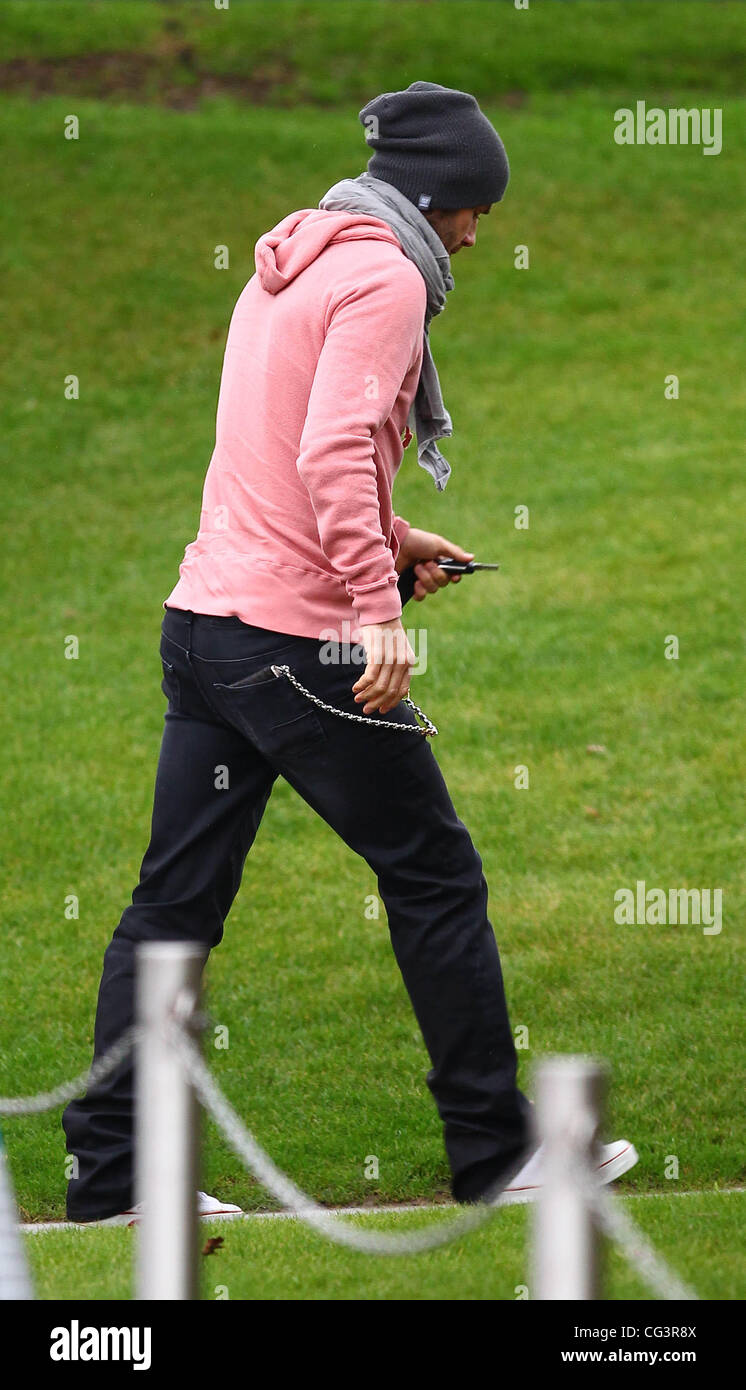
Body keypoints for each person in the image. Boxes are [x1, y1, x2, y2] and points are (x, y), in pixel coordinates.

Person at [62, 81, 637, 1224]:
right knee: (431, 873)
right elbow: (329, 450)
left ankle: (113, 1182)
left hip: (206, 631)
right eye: (474, 204)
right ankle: (493, 1153)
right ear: (435, 195)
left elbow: (284, 454)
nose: (479, 227)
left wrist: (390, 535)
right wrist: (376, 609)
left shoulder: (292, 258)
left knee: (170, 908)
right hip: (299, 646)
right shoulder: (383, 277)